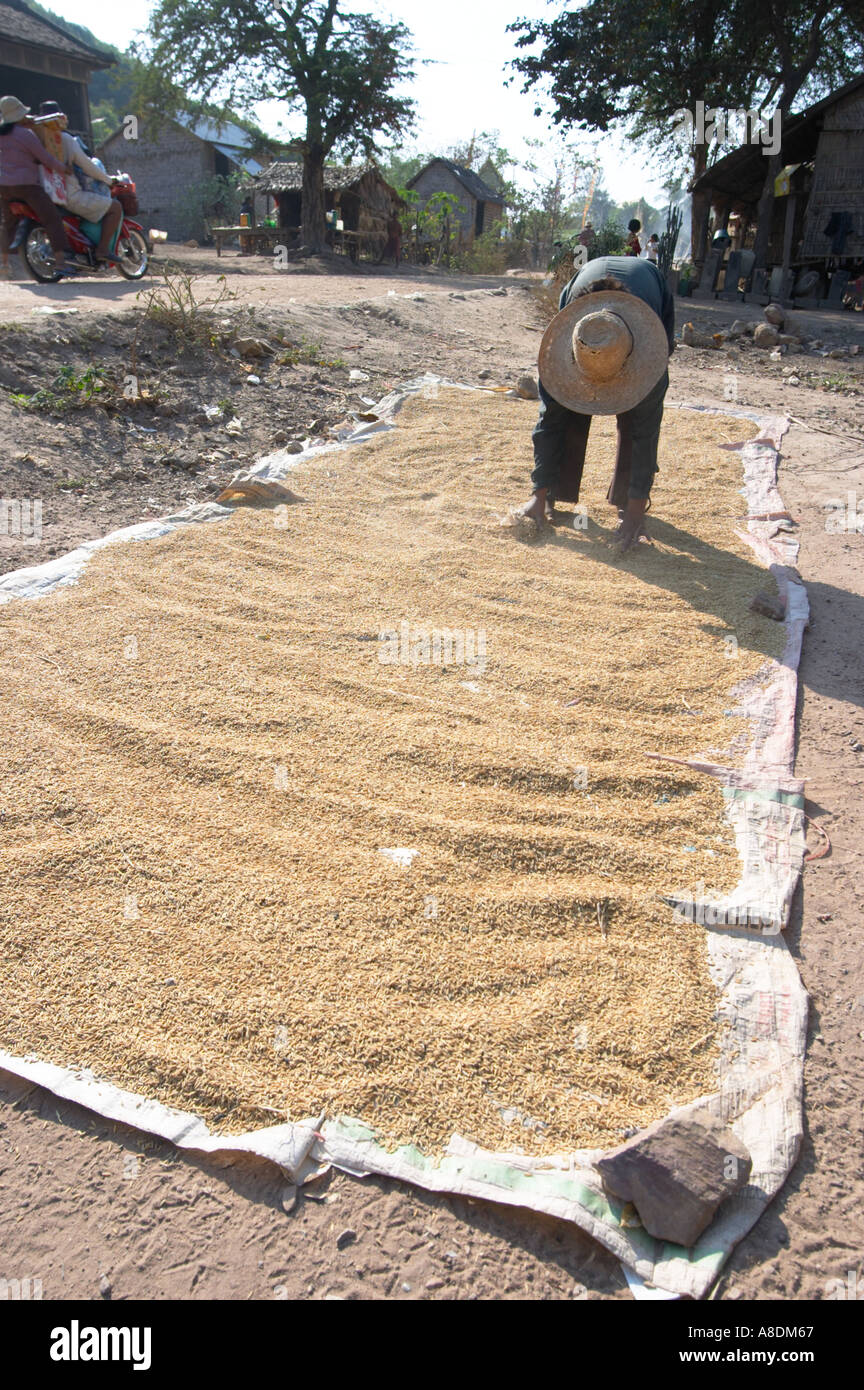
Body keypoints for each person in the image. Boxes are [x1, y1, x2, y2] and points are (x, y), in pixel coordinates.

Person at [519, 255, 676, 553]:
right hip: (582, 288)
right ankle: (551, 493)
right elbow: (548, 424)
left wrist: (635, 516)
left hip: (649, 291)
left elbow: (646, 437)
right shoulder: (569, 344)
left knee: (637, 418)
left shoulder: (648, 352)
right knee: (567, 405)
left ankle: (628, 505)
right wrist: (536, 494)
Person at [0, 94, 78, 275]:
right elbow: (45, 158)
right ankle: (60, 262)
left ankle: (3, 264)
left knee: (7, 223)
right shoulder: (26, 134)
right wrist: (63, 169)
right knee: (51, 218)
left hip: (3, 188)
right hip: (27, 186)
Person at [37, 102, 121, 263]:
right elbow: (88, 166)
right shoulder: (66, 139)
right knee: (115, 208)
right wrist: (108, 180)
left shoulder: (36, 140)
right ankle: (102, 250)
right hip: (70, 196)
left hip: (45, 194)